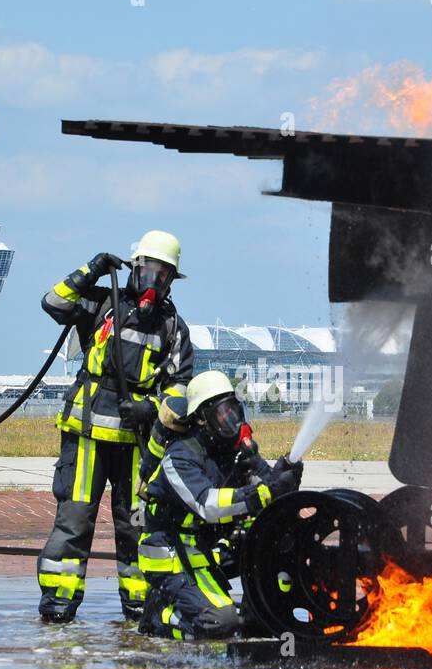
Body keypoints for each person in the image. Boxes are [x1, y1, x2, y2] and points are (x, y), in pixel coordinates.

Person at [36, 231, 194, 622]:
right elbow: (54, 302)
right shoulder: (102, 303)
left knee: (135, 528)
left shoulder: (173, 327)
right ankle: (58, 606)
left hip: (136, 443)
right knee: (74, 522)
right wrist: (90, 270)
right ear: (134, 268)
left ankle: (139, 608)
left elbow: (180, 391)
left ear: (171, 280)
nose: (154, 280)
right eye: (149, 269)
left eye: (163, 274)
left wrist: (149, 407)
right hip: (86, 437)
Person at [137, 370, 302, 640]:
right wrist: (263, 493)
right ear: (202, 418)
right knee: (220, 623)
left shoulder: (235, 450)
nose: (231, 420)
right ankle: (158, 616)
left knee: (277, 537)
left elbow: (267, 490)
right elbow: (208, 505)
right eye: (222, 414)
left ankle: (257, 613)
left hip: (208, 546)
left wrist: (284, 477)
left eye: (234, 410)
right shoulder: (180, 458)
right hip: (173, 553)